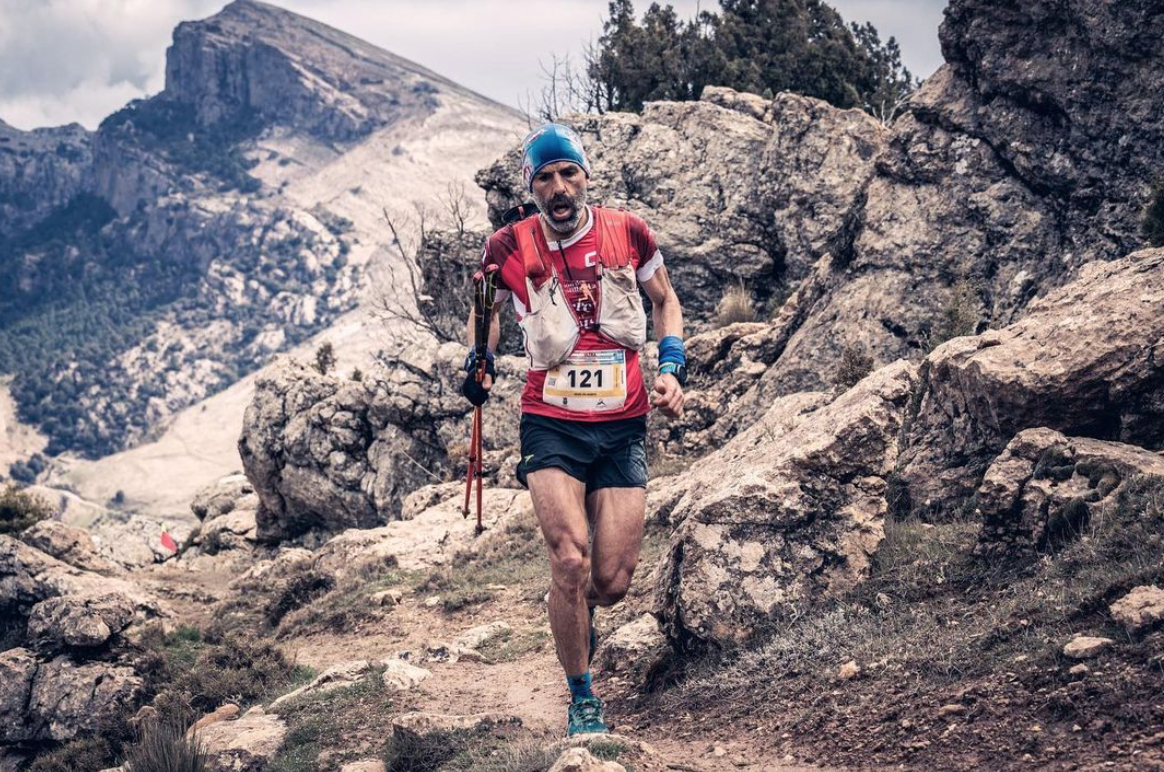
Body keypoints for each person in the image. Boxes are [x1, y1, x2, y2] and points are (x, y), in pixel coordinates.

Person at [462, 123, 688, 736]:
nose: (558, 188)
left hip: (621, 425)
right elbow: (484, 313)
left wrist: (671, 366)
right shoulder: (507, 245)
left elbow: (665, 301)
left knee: (609, 582)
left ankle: (573, 611)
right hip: (550, 423)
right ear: (531, 185)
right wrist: (479, 361)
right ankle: (582, 694)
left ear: (585, 175)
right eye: (545, 177)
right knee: (569, 558)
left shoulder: (629, 231)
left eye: (568, 173)